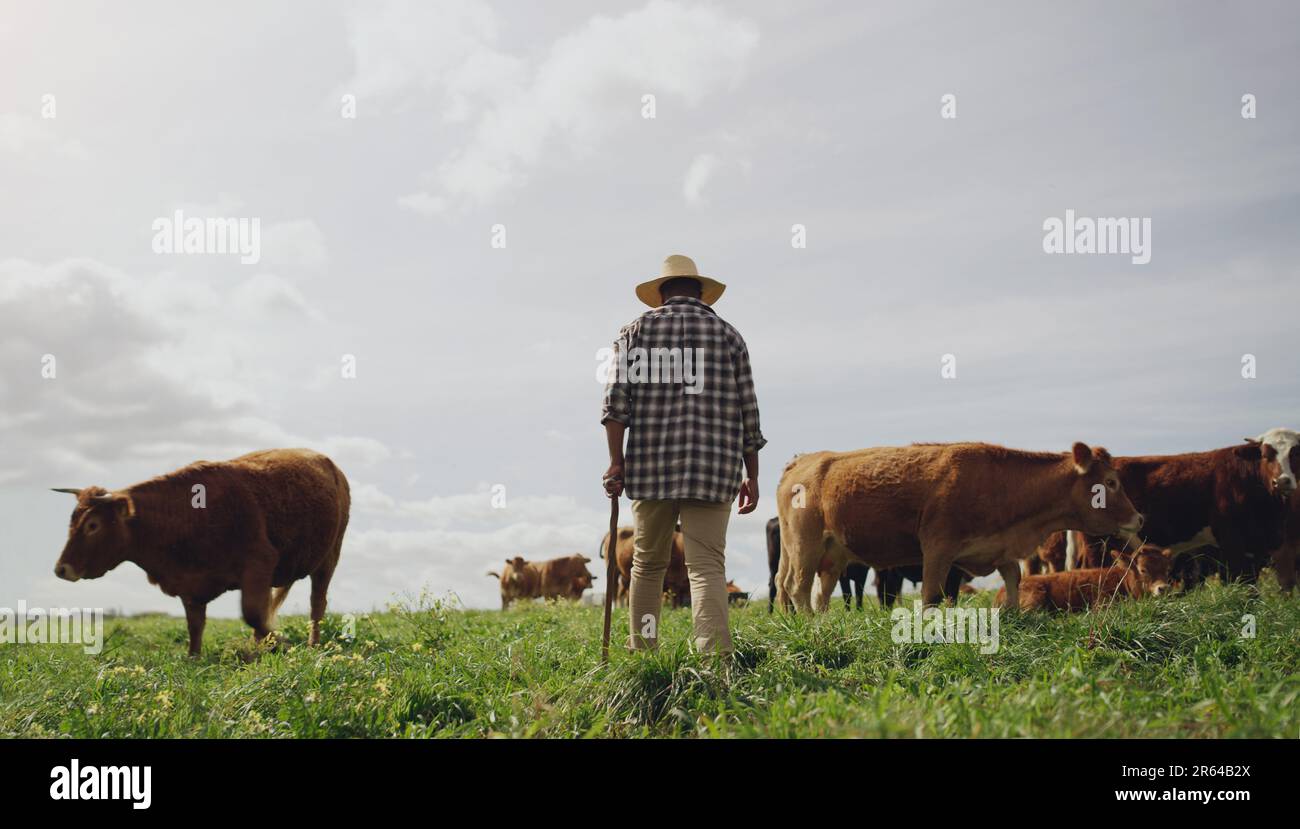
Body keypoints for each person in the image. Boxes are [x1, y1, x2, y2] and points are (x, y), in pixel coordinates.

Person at [601, 254, 765, 654]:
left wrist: (616, 462)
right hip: (714, 468)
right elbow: (749, 411)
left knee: (647, 565)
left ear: (660, 294)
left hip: (651, 467)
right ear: (701, 292)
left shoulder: (635, 332)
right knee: (707, 566)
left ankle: (644, 654)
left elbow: (614, 405)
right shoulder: (729, 335)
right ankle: (715, 661)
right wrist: (753, 474)